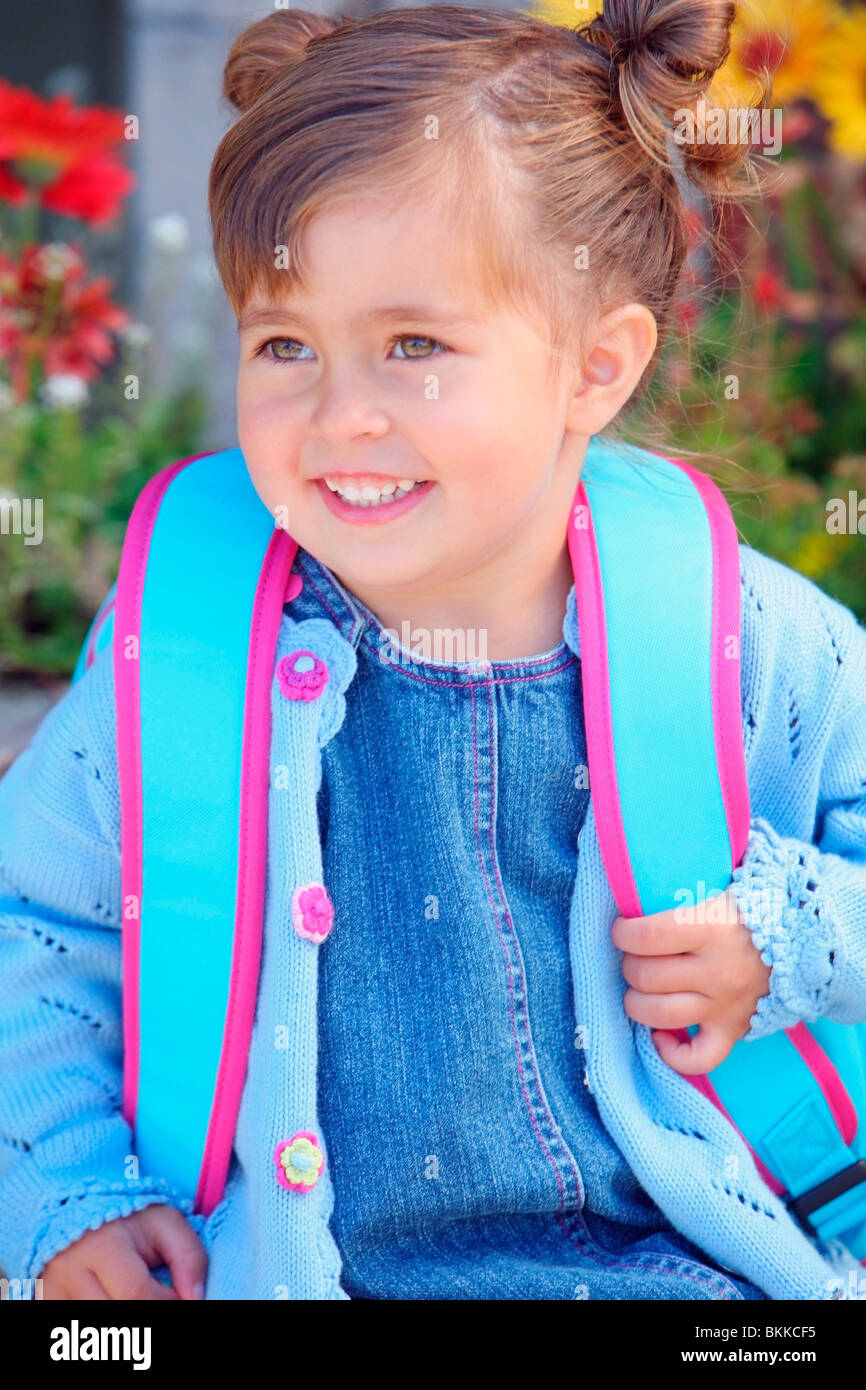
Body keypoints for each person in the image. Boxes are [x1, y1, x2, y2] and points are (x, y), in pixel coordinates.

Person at [1, 2, 865, 1301]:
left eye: (415, 345)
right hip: (280, 1269)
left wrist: (786, 931)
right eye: (285, 342)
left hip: (685, 1265)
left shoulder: (748, 642)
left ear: (593, 366)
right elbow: (39, 926)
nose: (342, 414)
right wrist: (69, 1189)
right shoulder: (180, 652)